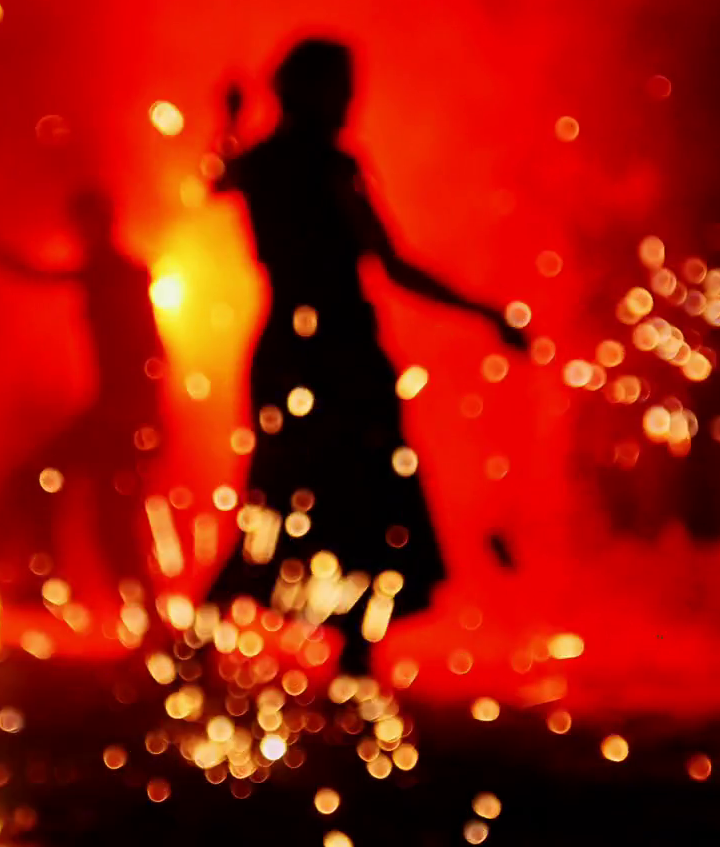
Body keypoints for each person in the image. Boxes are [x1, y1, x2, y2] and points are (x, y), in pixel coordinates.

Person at [206, 38, 526, 678]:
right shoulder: (330, 166)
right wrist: (485, 313)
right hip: (338, 353)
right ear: (315, 91)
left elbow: (220, 179)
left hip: (285, 349)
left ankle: (207, 640)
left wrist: (231, 122)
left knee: (282, 494)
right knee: (361, 499)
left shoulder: (267, 163)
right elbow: (393, 263)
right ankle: (349, 656)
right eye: (341, 85)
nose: (352, 99)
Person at [0, 186, 164, 605]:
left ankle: (128, 612)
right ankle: (58, 583)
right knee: (77, 501)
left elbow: (152, 352)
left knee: (108, 520)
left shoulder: (118, 274)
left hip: (122, 418)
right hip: (117, 414)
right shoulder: (109, 271)